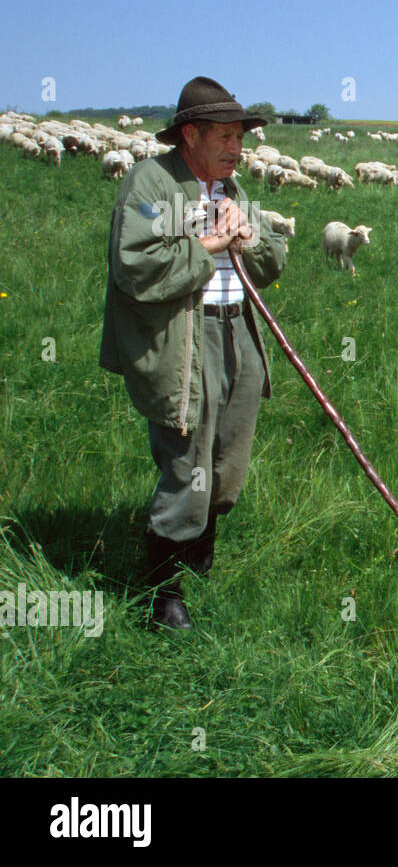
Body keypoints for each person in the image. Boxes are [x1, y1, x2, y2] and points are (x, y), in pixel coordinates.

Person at [99, 76, 288, 629]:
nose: (237, 149)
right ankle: (163, 592)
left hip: (239, 332)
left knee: (228, 456)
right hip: (183, 335)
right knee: (187, 457)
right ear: (190, 134)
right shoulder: (153, 183)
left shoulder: (234, 190)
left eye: (241, 138)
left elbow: (273, 260)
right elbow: (134, 266)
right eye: (226, 137)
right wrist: (208, 244)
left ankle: (200, 547)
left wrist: (248, 237)